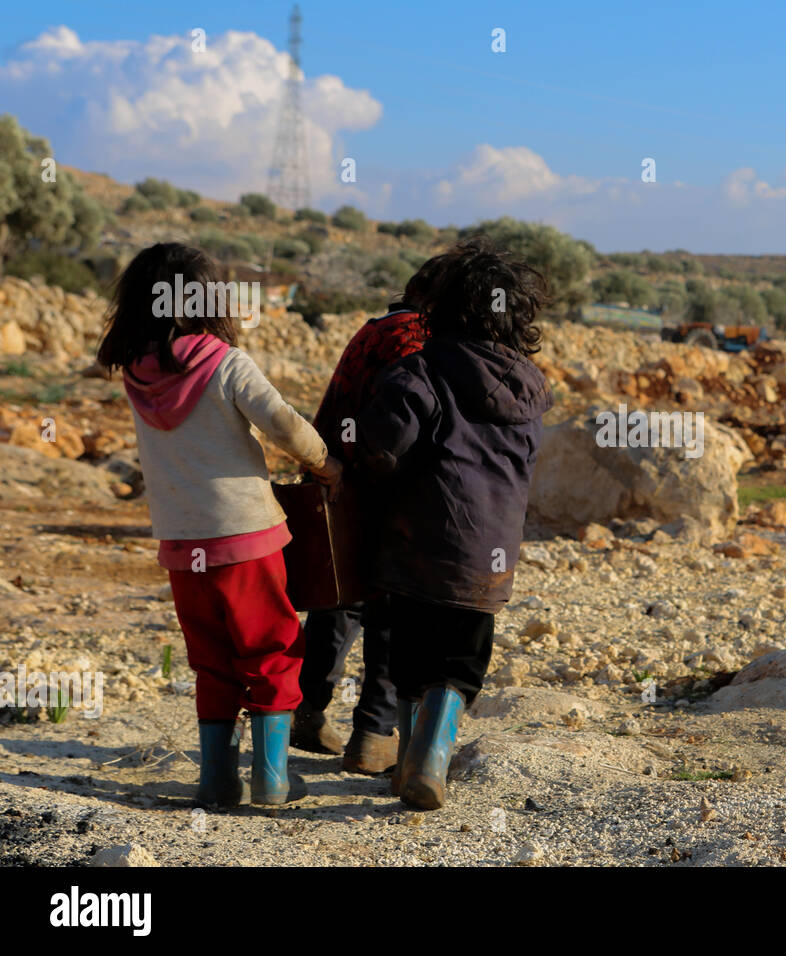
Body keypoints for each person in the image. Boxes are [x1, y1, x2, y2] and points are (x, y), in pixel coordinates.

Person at [97, 243, 342, 808]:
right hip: (246, 538)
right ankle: (273, 779)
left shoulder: (136, 372)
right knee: (272, 649)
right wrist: (323, 462)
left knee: (211, 658)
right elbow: (282, 422)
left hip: (183, 545)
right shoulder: (227, 362)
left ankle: (216, 782)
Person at [354, 236, 552, 809]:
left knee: (410, 663)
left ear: (441, 308)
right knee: (460, 667)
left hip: (416, 552)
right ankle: (429, 762)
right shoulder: (532, 389)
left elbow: (381, 448)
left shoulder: (418, 372)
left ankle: (410, 764)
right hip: (488, 561)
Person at [291, 293, 430, 773]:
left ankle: (304, 710)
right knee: (390, 608)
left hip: (339, 477)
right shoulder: (419, 336)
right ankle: (373, 734)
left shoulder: (374, 329)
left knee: (339, 600)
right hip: (386, 486)